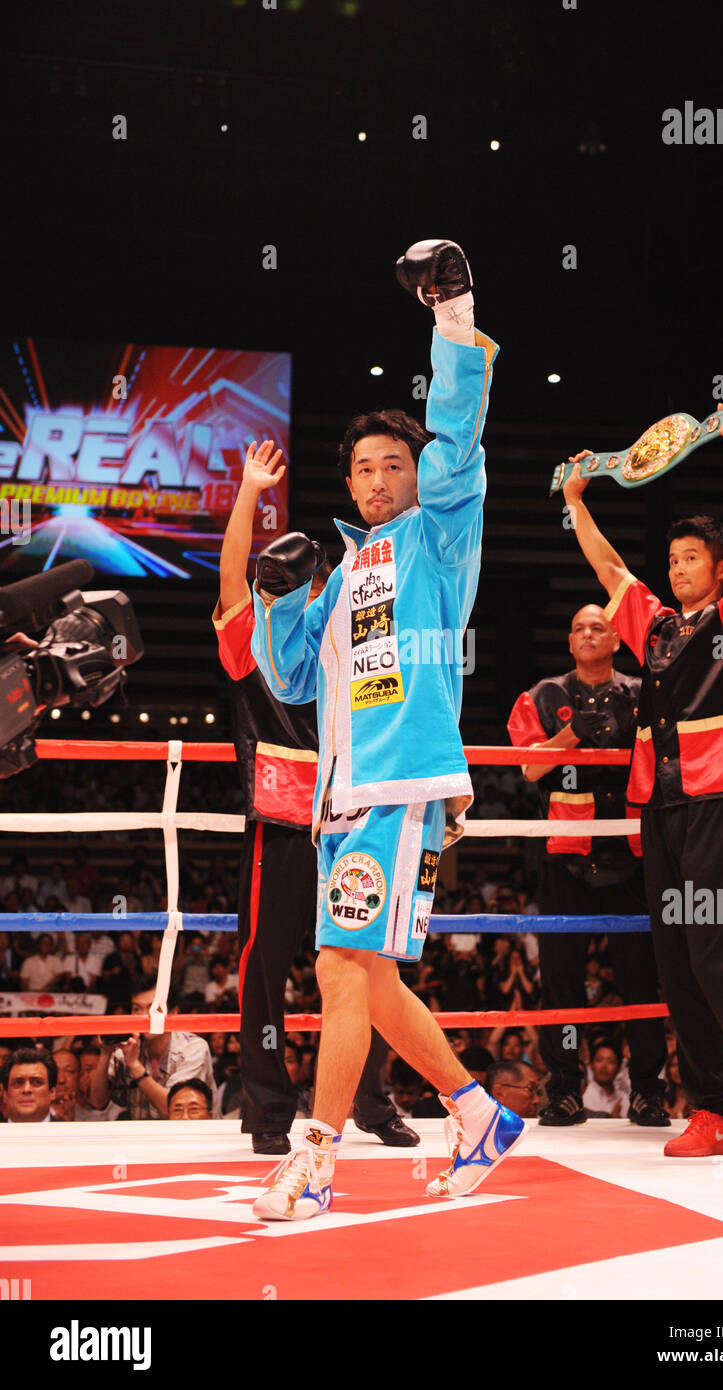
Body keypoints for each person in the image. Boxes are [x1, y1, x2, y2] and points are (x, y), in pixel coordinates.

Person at [249, 239, 524, 1220]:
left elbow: (458, 440)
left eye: (391, 463)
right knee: (366, 971)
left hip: (403, 780)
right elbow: (282, 672)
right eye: (362, 467)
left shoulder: (439, 532)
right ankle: (476, 1109)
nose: (376, 478)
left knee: (337, 969)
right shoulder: (347, 567)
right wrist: (277, 592)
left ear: (413, 474)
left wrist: (451, 314)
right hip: (345, 794)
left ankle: (316, 1157)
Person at [562, 398, 723, 1160]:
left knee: (717, 956)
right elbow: (610, 567)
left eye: (689, 558)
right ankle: (713, 1110)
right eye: (671, 558)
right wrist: (577, 502)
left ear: (715, 569)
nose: (677, 567)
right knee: (677, 964)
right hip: (661, 805)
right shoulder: (655, 628)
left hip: (719, 804)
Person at [214, 434, 419, 1155]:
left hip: (356, 810)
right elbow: (232, 586)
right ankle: (269, 1112)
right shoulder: (256, 637)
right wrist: (247, 492)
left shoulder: (349, 626)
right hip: (281, 817)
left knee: (368, 965)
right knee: (267, 971)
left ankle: (373, 1101)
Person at [508, 605, 669, 1126]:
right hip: (566, 852)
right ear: (569, 641)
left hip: (631, 850)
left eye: (598, 626)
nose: (586, 633)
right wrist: (570, 736)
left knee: (641, 978)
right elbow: (531, 766)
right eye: (577, 627)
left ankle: (647, 1090)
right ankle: (563, 1091)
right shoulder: (542, 695)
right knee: (560, 981)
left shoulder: (644, 691)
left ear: (618, 639)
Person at [89, 978, 218, 1120]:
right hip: (144, 1138)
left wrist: (135, 1066)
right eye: (137, 1009)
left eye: (154, 1009)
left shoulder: (193, 1049)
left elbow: (175, 1113)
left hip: (194, 1137)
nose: (145, 1016)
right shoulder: (126, 1050)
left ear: (173, 1013)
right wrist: (105, 1054)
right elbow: (97, 1102)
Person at [1, 1048, 56, 1122]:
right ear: (5, 1095)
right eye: (18, 1083)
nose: (26, 1089)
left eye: (37, 1082)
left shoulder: (73, 1131)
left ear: (52, 1092)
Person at [582, 1042, 629, 1118]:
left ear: (619, 1068)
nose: (604, 1066)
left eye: (611, 1061)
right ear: (591, 1065)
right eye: (599, 1060)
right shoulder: (584, 1095)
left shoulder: (624, 1098)